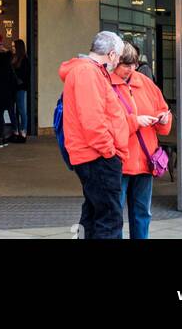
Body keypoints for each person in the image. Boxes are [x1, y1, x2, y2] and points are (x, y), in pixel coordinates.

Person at [59, 31, 129, 239]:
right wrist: (109, 152)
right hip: (97, 157)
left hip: (94, 156)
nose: (117, 62)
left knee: (93, 215)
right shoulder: (88, 73)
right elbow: (93, 121)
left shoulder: (86, 71)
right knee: (109, 219)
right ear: (111, 54)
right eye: (118, 57)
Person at [109, 42, 172, 239]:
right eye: (125, 65)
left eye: (133, 65)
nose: (130, 69)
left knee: (142, 213)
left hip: (145, 161)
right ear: (115, 62)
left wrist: (164, 119)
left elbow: (163, 111)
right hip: (119, 162)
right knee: (114, 215)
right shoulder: (106, 85)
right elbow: (106, 125)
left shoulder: (146, 84)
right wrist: (135, 121)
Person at [10, 37, 29, 143]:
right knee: (12, 109)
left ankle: (23, 131)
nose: (12, 48)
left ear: (18, 47)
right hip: (14, 87)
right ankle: (16, 131)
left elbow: (25, 76)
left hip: (20, 88)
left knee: (21, 110)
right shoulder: (14, 58)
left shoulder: (24, 60)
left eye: (14, 46)